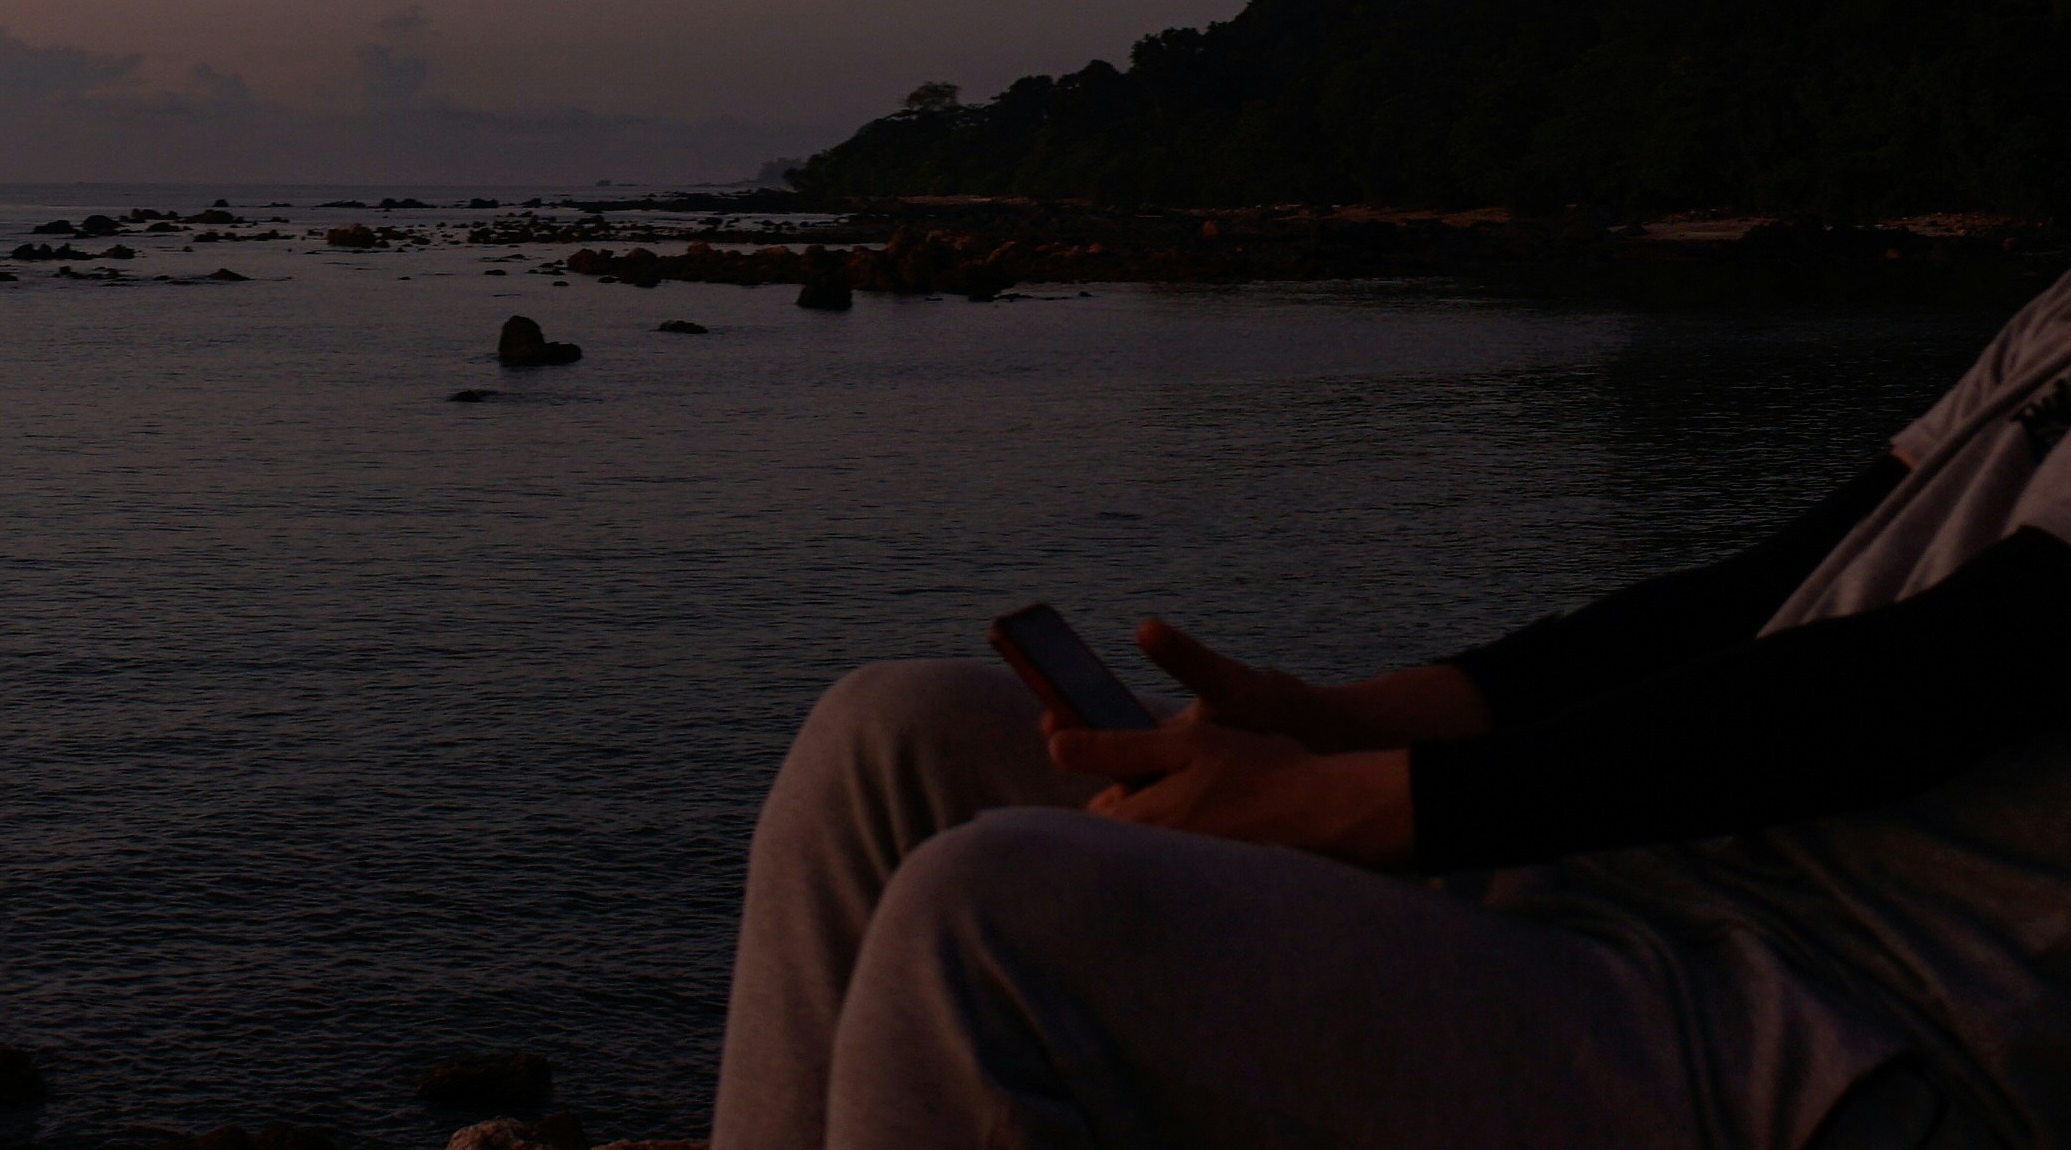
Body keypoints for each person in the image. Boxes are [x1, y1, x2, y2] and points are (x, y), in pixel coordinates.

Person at [716, 271, 2071, 1150]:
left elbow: (1933, 680)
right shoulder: (2055, 323)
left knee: (991, 917)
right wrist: (1340, 725)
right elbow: (1764, 594)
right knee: (889, 743)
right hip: (1653, 912)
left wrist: (1352, 812)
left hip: (1860, 1040)